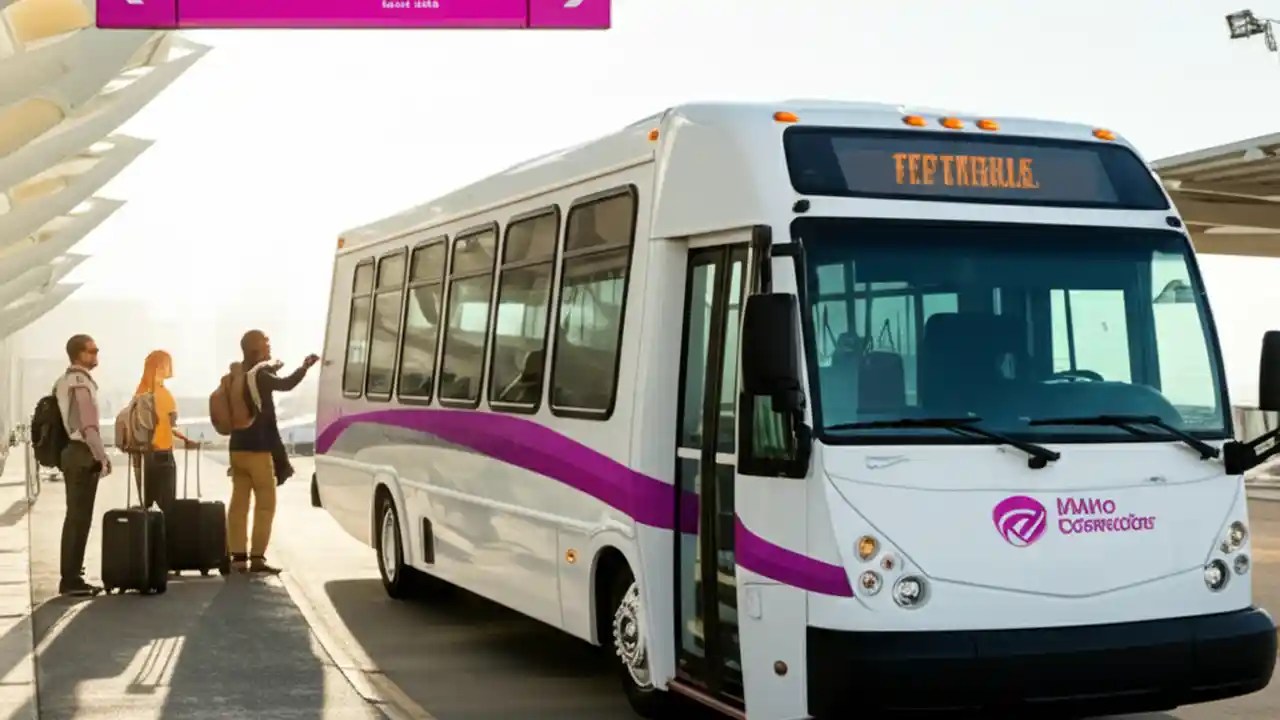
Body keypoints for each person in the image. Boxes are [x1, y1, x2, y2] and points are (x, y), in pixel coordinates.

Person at [227, 330, 318, 574]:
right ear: (256, 348)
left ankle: (237, 558)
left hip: (237, 448)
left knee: (239, 503)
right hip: (258, 448)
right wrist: (305, 366)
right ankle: (257, 558)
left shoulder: (236, 375)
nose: (270, 346)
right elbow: (286, 384)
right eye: (266, 343)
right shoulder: (261, 374)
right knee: (265, 503)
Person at [53, 334, 108, 596]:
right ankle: (71, 579)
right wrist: (102, 456)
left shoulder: (64, 380)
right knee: (79, 517)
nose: (96, 355)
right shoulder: (80, 382)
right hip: (81, 453)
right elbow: (87, 425)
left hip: (71, 452)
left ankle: (72, 574)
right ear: (78, 354)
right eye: (92, 350)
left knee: (75, 516)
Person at [129, 350, 199, 514]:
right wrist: (187, 440)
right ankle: (166, 537)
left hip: (145, 455)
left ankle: (147, 538)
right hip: (163, 454)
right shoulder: (164, 395)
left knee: (146, 505)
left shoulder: (140, 393)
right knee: (167, 506)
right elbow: (171, 426)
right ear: (162, 366)